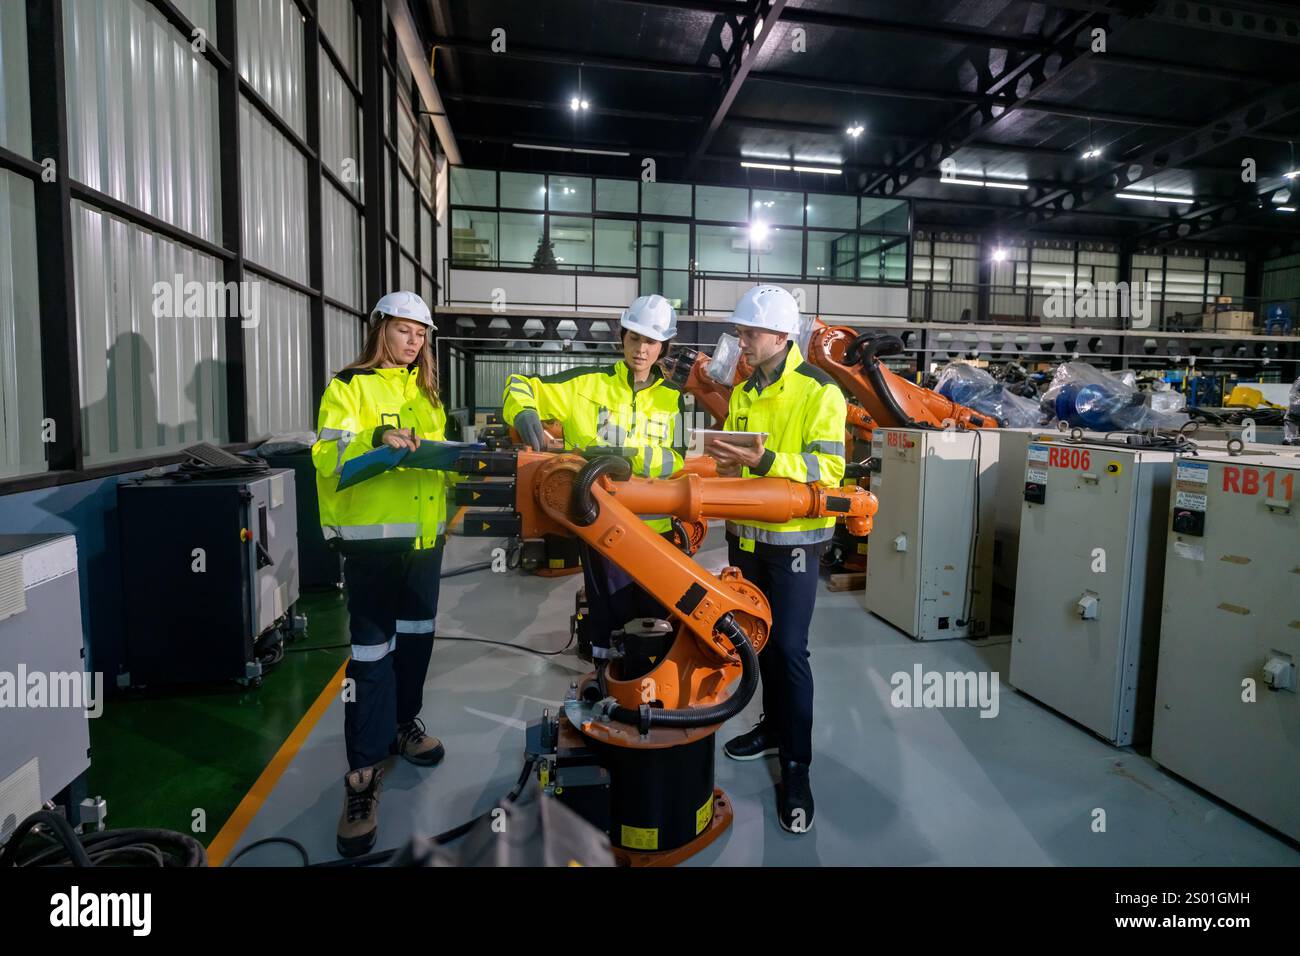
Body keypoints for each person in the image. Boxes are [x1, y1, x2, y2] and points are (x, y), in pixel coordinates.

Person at [311, 290, 449, 858]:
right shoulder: (348, 386)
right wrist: (375, 438)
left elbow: (434, 457)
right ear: (380, 331)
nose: (413, 342)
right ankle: (362, 779)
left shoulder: (427, 394)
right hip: (372, 549)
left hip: (424, 542)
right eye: (404, 331)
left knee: (416, 644)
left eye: (421, 335)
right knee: (370, 658)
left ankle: (402, 724)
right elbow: (327, 453)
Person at [709, 284, 846, 834]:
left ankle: (797, 767)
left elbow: (827, 470)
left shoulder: (821, 391)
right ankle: (770, 726)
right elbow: (741, 464)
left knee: (789, 650)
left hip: (792, 544)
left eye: (750, 333)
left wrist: (765, 458)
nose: (741, 341)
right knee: (758, 641)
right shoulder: (743, 391)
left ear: (781, 336)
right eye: (740, 332)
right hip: (745, 540)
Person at [501, 294, 686, 662]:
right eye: (634, 338)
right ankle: (605, 690)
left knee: (654, 620)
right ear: (622, 338)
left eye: (650, 341)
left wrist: (626, 458)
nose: (640, 349)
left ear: (663, 346)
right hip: (602, 525)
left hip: (656, 528)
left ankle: (648, 695)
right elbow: (519, 384)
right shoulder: (585, 385)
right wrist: (522, 412)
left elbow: (676, 457)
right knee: (608, 616)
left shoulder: (673, 399)